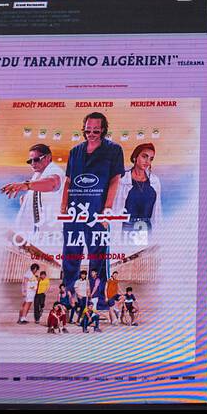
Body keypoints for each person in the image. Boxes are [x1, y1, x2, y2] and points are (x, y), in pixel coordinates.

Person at [60, 112, 124, 288]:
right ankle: (68, 297)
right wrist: (63, 207)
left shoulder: (114, 150)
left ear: (103, 130)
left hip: (98, 211)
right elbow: (68, 181)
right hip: (74, 212)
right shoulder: (75, 152)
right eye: (88, 131)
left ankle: (98, 299)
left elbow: (115, 180)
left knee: (98, 256)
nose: (91, 134)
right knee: (70, 254)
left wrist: (107, 209)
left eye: (96, 131)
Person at [2, 143, 65, 254]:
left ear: (48, 157)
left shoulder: (55, 171)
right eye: (30, 161)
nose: (32, 164)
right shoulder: (38, 174)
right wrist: (25, 202)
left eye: (36, 159)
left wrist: (25, 185)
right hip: (38, 237)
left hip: (51, 238)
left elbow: (52, 183)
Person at [122, 142, 161, 233]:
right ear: (135, 157)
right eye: (144, 156)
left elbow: (157, 211)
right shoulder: (123, 180)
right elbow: (116, 208)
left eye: (151, 159)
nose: (147, 162)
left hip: (147, 228)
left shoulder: (155, 181)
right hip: (127, 228)